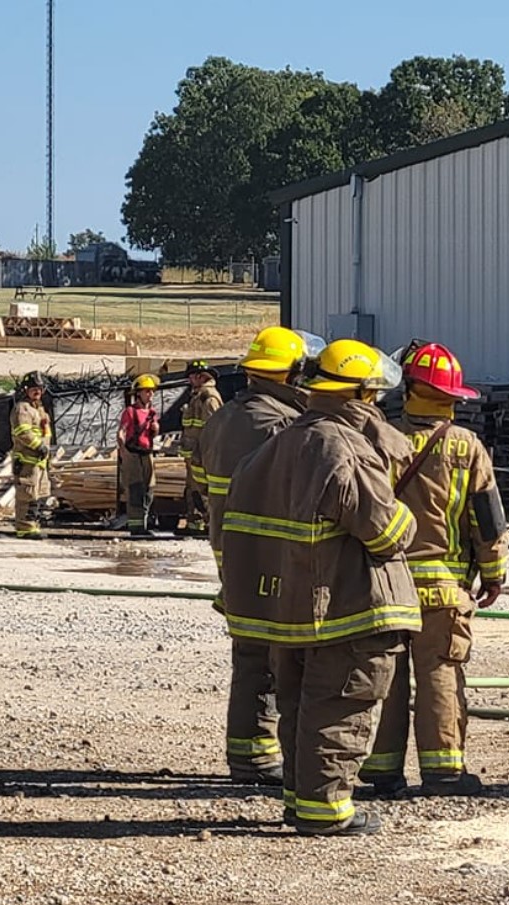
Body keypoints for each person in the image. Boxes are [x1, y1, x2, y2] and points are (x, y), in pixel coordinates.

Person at [218, 339, 419, 837]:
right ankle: (325, 810)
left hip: (291, 610)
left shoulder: (282, 441)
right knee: (340, 704)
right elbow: (385, 531)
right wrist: (407, 514)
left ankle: (302, 797)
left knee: (299, 705)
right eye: (373, 395)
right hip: (344, 607)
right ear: (360, 396)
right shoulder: (343, 448)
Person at [359, 342, 508, 797]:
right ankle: (443, 771)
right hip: (443, 592)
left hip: (383, 585)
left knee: (383, 678)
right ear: (451, 397)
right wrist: (494, 572)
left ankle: (380, 771)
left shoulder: (379, 438)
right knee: (440, 675)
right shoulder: (466, 447)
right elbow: (487, 519)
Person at [193, 327, 312, 785]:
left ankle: (248, 757)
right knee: (276, 659)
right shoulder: (280, 426)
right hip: (272, 557)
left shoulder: (221, 419)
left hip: (230, 552)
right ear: (291, 373)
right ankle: (264, 759)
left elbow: (201, 480)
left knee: (248, 656)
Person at [178, 360, 222, 536]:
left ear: (201, 376)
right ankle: (194, 526)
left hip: (202, 455)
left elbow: (213, 428)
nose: (189, 380)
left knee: (203, 490)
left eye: (191, 376)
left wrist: (207, 453)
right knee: (193, 489)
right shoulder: (197, 395)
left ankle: (207, 525)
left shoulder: (209, 398)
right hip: (193, 454)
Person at [9, 372, 52, 540]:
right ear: (25, 390)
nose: (37, 392)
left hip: (40, 461)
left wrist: (47, 452)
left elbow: (45, 433)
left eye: (39, 389)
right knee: (26, 494)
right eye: (33, 389)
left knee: (39, 495)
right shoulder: (22, 409)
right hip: (27, 461)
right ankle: (24, 528)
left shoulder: (40, 410)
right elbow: (22, 432)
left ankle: (33, 525)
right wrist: (38, 446)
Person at [118, 374, 161, 536]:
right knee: (135, 489)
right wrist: (123, 451)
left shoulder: (152, 413)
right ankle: (136, 527)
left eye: (152, 391)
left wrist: (155, 428)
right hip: (133, 455)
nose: (150, 394)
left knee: (149, 489)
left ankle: (144, 521)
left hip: (147, 454)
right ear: (139, 393)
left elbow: (153, 434)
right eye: (147, 391)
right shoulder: (130, 412)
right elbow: (121, 432)